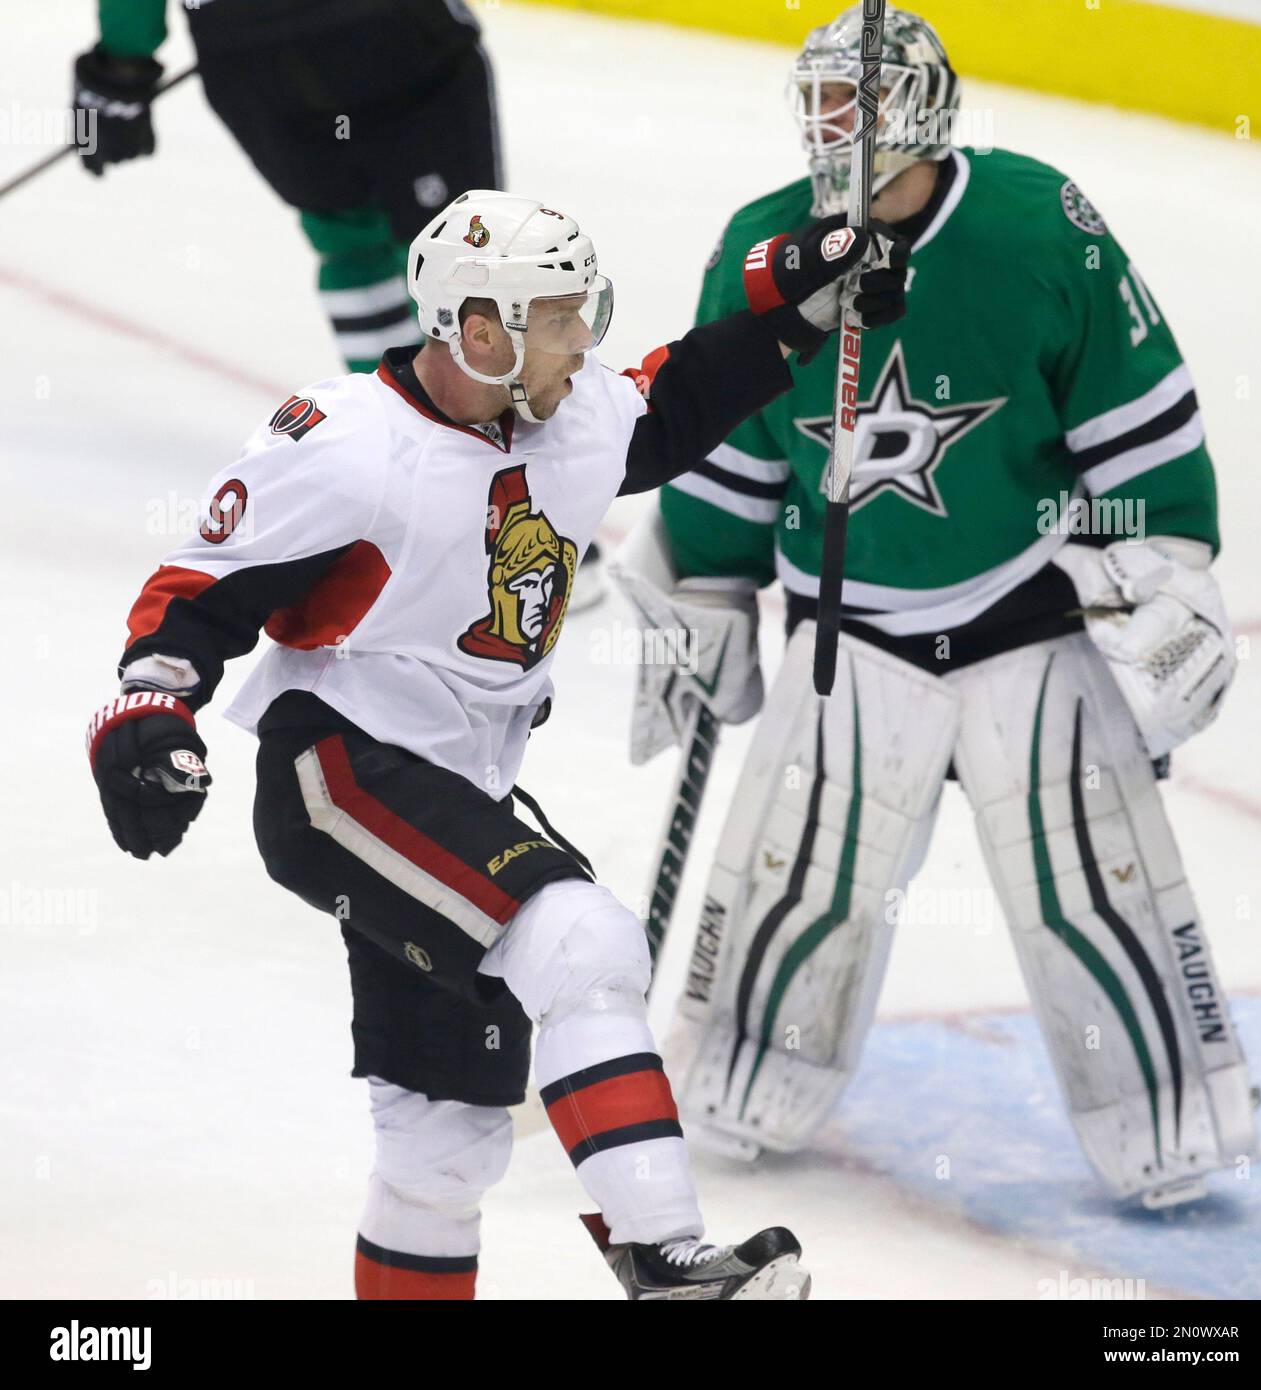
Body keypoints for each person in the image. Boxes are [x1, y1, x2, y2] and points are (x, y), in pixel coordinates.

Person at [85, 189, 908, 1298]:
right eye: (562, 317)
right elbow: (199, 595)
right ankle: (663, 1254)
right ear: (481, 332)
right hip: (339, 773)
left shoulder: (564, 416)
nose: (585, 338)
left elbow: (666, 403)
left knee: (444, 1144)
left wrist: (797, 305)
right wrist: (148, 709)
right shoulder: (344, 445)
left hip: (455, 786)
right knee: (579, 944)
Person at [614, 6, 1259, 1208]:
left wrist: (1164, 565)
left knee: (1094, 897)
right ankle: (745, 1082)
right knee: (796, 889)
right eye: (815, 103)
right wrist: (702, 588)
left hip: (1030, 619)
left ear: (917, 109)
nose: (826, 126)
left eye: (849, 105)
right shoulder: (761, 248)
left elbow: (1139, 427)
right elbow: (723, 451)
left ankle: (1165, 1119)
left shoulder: (1031, 224)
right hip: (845, 643)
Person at [72, 0, 502, 371]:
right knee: (457, 249)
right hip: (388, 36)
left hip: (253, 65)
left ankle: (394, 417)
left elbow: (130, 28)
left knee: (351, 236)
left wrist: (118, 69)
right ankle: (480, 426)